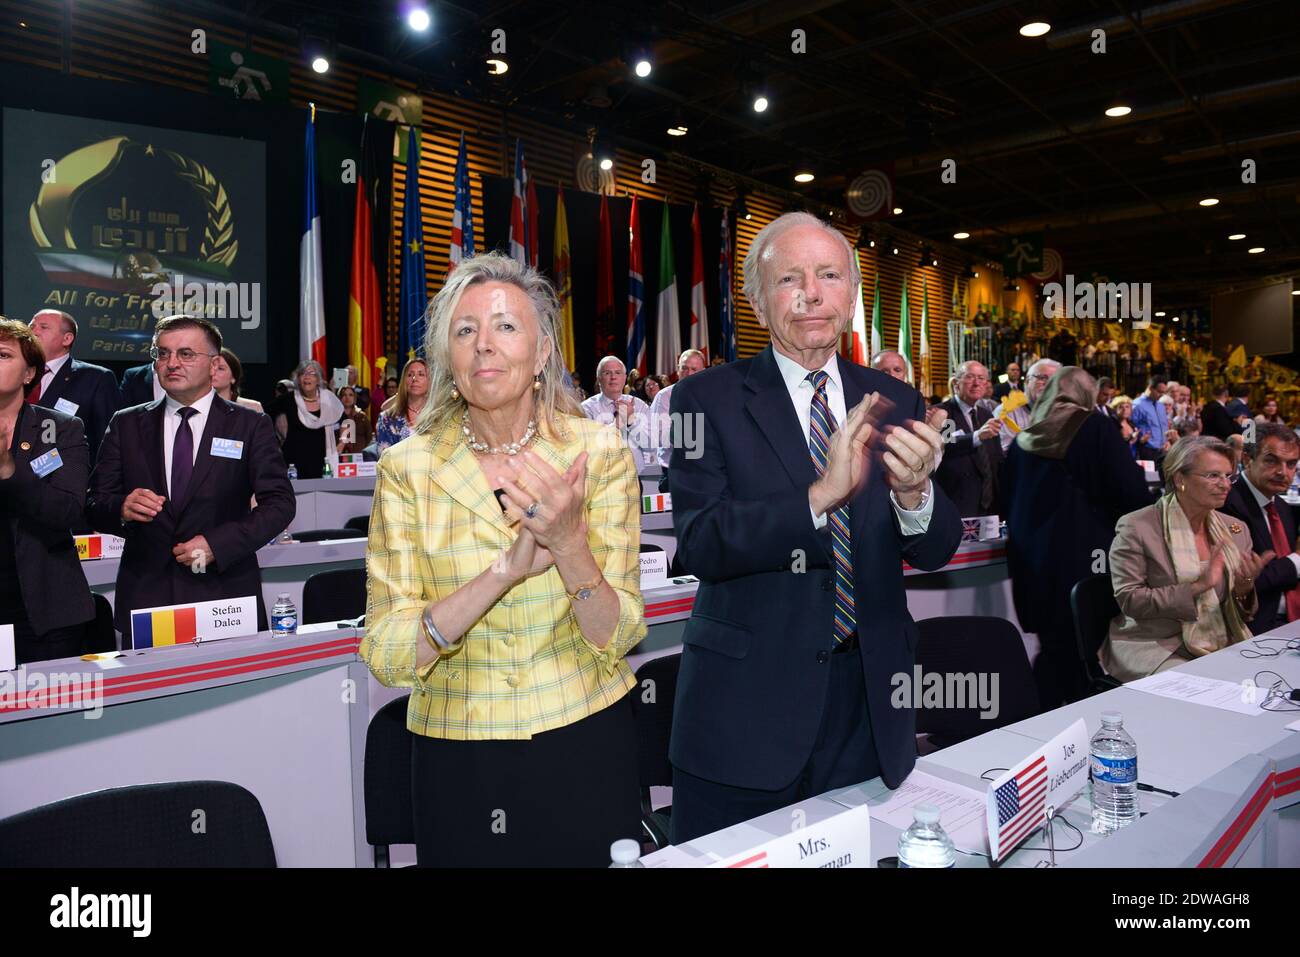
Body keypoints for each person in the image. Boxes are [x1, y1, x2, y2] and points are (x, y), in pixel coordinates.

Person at [665, 212, 961, 843]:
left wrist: (915, 493)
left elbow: (935, 550)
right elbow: (700, 542)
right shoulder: (704, 401)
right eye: (789, 279)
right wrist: (820, 495)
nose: (811, 294)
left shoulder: (895, 399)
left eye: (829, 275)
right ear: (755, 298)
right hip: (746, 711)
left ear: (851, 293)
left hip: (870, 703)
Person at [360, 253, 644, 867]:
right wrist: (504, 573)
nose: (484, 346)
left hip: (586, 742)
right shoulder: (407, 469)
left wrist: (569, 546)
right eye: (465, 331)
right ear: (445, 357)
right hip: (458, 759)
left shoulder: (598, 453)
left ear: (543, 351)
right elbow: (386, 653)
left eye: (505, 327)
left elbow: (618, 634)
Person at [86, 315, 296, 637]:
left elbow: (280, 504)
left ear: (214, 366)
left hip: (224, 594)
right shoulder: (126, 424)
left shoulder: (249, 425)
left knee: (232, 685)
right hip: (148, 596)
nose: (172, 363)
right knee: (152, 688)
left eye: (186, 354)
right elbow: (95, 501)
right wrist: (121, 508)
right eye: (163, 353)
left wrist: (218, 544)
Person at [1002, 367, 1152, 707]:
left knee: (1054, 652)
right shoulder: (1096, 427)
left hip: (1033, 567)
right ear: (1088, 396)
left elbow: (1006, 501)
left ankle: (1045, 730)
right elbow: (1133, 494)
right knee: (1084, 658)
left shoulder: (1023, 441)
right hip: (1087, 565)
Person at [1102, 437, 1268, 682]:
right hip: (1157, 645)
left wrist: (1244, 589)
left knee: (1264, 680)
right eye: (1213, 476)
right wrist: (1198, 587)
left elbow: (1243, 613)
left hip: (1223, 638)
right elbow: (1130, 600)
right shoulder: (1137, 526)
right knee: (1205, 689)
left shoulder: (1235, 529)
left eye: (1228, 476)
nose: (1225, 485)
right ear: (1180, 479)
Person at [0, 318, 95, 664]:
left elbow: (67, 511)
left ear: (29, 374)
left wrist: (8, 470)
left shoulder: (60, 428)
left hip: (45, 610)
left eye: (2, 355)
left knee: (49, 713)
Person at [1220, 423, 1300, 635]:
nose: (1283, 472)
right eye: (1272, 461)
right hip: (1254, 627)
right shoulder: (1227, 504)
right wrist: (1298, 559)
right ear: (1247, 459)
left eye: (1291, 464)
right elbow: (1245, 583)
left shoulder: (1281, 507)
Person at [26, 309, 121, 462]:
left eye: (43, 327)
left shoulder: (96, 378)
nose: (33, 332)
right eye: (31, 326)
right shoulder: (15, 374)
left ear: (67, 339)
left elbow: (107, 441)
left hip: (67, 478)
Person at [935, 360, 1002, 518]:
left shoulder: (987, 414)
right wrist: (977, 436)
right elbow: (945, 446)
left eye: (981, 378)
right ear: (956, 383)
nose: (976, 383)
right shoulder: (942, 413)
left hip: (988, 503)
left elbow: (996, 458)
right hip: (956, 502)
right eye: (970, 377)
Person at [269, 360, 343, 479]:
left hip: (323, 463)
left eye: (311, 373)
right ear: (298, 379)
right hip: (293, 465)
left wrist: (342, 443)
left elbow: (348, 421)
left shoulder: (328, 398)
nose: (306, 377)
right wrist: (273, 443)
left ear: (318, 379)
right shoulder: (288, 399)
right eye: (302, 373)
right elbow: (263, 414)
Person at [580, 356, 653, 471]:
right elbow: (591, 448)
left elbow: (650, 446)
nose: (613, 377)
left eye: (618, 373)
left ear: (624, 378)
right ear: (599, 379)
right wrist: (620, 420)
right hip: (602, 477)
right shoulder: (586, 408)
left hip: (635, 477)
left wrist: (631, 421)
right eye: (607, 373)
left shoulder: (639, 405)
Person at [648, 349, 708, 478]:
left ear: (703, 373)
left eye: (694, 369)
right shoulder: (664, 396)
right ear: (678, 370)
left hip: (707, 470)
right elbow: (660, 435)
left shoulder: (712, 396)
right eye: (684, 368)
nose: (689, 373)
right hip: (675, 471)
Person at [994, 357, 1059, 453]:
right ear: (1027, 381)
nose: (1048, 384)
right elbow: (1006, 454)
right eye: (1042, 378)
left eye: (1054, 379)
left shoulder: (1061, 411)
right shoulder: (1005, 412)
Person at [374, 358, 429, 455]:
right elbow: (384, 459)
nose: (414, 379)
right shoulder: (387, 418)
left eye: (421, 374)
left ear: (430, 381)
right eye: (410, 375)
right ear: (404, 381)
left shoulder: (440, 416)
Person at [1130, 376, 1170, 462]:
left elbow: (1164, 425)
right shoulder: (1137, 405)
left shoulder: (1160, 405)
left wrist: (1167, 441)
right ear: (1150, 388)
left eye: (1164, 392)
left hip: (1163, 450)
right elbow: (1131, 426)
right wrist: (1140, 439)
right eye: (1159, 392)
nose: (1162, 395)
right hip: (1146, 450)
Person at [212, 348, 263, 413]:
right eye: (210, 367)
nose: (213, 372)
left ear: (233, 378)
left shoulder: (252, 408)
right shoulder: (196, 407)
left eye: (220, 368)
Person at [336, 385, 373, 455]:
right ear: (339, 398)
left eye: (350, 395)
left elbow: (369, 437)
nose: (347, 397)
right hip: (339, 455)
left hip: (359, 456)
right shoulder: (334, 417)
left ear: (355, 398)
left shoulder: (362, 416)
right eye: (344, 395)